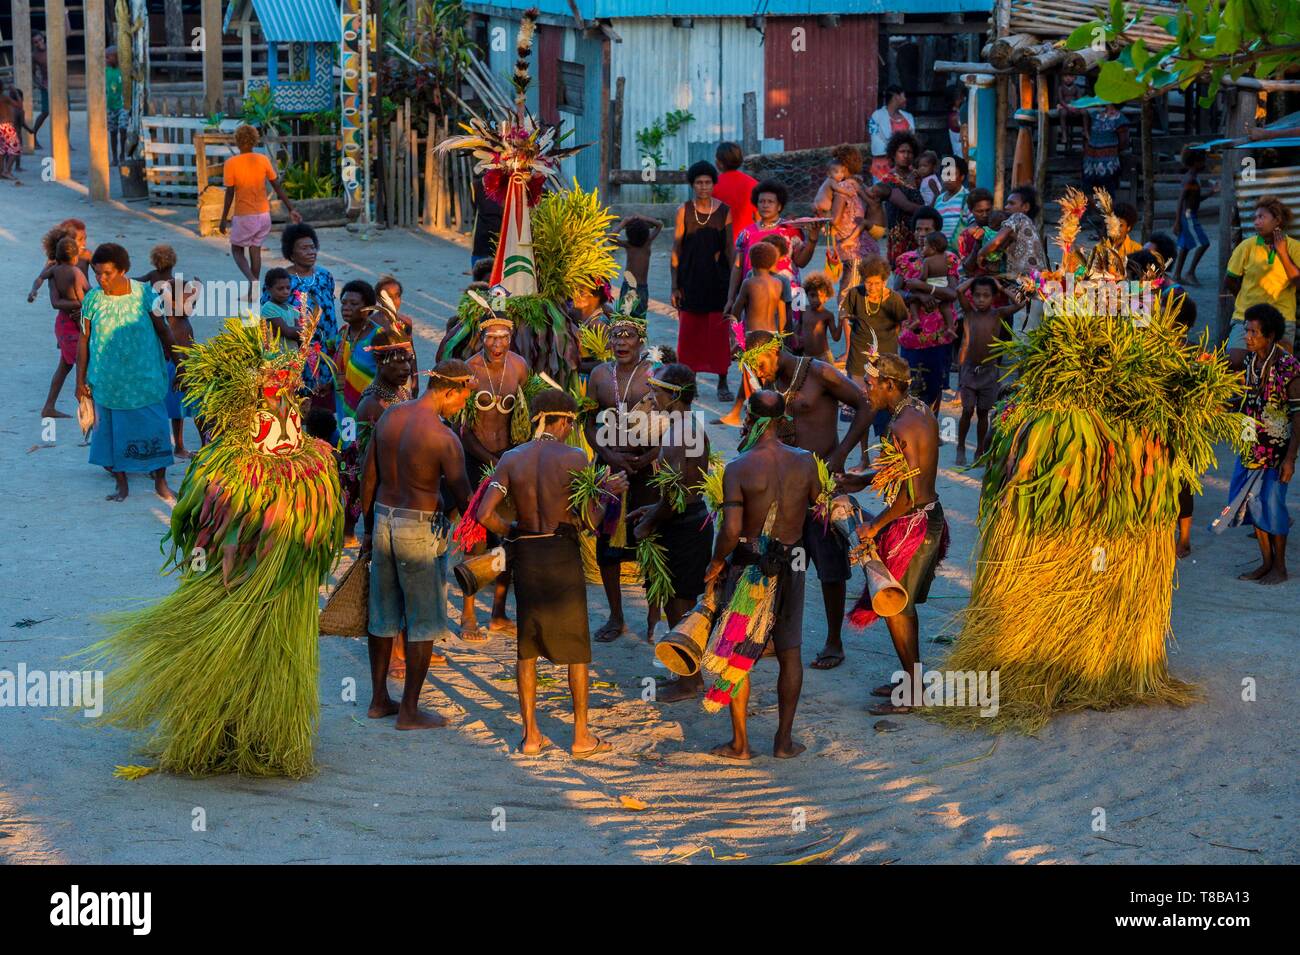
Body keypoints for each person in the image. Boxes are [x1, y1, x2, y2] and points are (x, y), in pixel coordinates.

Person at [79, 316, 344, 778]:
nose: (283, 410)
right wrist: (220, 565)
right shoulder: (239, 470)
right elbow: (212, 533)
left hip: (274, 582)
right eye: (273, 405)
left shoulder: (301, 470)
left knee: (265, 663)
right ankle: (224, 739)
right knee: (245, 662)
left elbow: (313, 534)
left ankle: (256, 739)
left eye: (289, 406)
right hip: (248, 580)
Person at [477, 388, 629, 757]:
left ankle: (531, 736)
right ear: (560, 420)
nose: (568, 430)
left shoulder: (511, 459)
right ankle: (580, 736)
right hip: (561, 554)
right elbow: (590, 523)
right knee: (577, 649)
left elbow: (483, 514)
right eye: (569, 423)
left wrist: (513, 531)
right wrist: (609, 492)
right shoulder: (575, 457)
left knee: (526, 650)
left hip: (526, 554)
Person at [703, 389, 820, 759]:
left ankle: (740, 743)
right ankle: (783, 742)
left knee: (739, 649)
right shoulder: (805, 462)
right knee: (790, 650)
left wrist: (717, 561)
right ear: (784, 420)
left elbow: (731, 530)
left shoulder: (739, 468)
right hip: (793, 563)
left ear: (749, 420)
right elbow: (818, 501)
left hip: (750, 566)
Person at [359, 359, 475, 729]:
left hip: (382, 519)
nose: (462, 406)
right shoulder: (444, 438)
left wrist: (366, 531)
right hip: (419, 529)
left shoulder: (390, 416)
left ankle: (379, 699)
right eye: (463, 399)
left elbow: (368, 477)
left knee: (383, 615)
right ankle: (409, 709)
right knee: (423, 621)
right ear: (450, 391)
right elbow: (463, 495)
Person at [746, 333, 870, 671]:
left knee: (829, 563)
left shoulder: (819, 372)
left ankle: (834, 639)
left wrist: (841, 454)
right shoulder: (771, 382)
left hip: (821, 483)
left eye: (759, 363)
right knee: (781, 559)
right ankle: (775, 634)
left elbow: (866, 404)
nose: (758, 371)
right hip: (783, 485)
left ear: (774, 350)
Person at [838, 354, 947, 715]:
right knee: (899, 606)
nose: (866, 389)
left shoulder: (900, 426)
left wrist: (875, 524)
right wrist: (861, 479)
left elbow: (911, 493)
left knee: (896, 607)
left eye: (870, 384)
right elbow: (908, 473)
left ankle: (914, 691)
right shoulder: (917, 409)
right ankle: (910, 678)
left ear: (888, 384)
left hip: (914, 524)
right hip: (923, 517)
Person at [631, 364, 714, 701]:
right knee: (673, 601)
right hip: (682, 520)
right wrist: (651, 512)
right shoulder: (679, 428)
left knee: (681, 604)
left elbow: (675, 493)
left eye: (657, 391)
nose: (652, 396)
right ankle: (683, 672)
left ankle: (690, 680)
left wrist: (649, 521)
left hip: (685, 525)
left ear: (674, 395)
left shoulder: (681, 433)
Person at [74, 243, 176, 503]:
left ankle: (160, 483)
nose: (101, 279)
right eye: (97, 273)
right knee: (113, 432)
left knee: (155, 427)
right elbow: (84, 341)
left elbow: (164, 330)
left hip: (145, 378)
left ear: (124, 270)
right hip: (108, 381)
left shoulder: (146, 295)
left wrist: (180, 363)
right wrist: (80, 381)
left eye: (107, 273)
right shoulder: (93, 299)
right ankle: (122, 484)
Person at [458, 312, 530, 641]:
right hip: (477, 461)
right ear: (480, 338)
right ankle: (468, 614)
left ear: (511, 337)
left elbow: (524, 417)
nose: (497, 344)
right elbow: (463, 428)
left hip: (508, 463)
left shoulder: (519, 367)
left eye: (503, 337)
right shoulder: (470, 370)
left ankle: (498, 613)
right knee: (474, 539)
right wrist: (491, 460)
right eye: (490, 337)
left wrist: (512, 460)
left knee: (506, 537)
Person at [586, 318, 658, 642]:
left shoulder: (656, 374)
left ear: (641, 341)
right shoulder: (600, 375)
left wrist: (649, 456)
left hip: (647, 470)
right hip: (610, 468)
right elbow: (588, 423)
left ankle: (655, 618)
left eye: (629, 336)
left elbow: (674, 420)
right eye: (616, 335)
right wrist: (610, 455)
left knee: (652, 542)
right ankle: (616, 618)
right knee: (607, 547)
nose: (621, 341)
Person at [1223, 304, 1299, 584]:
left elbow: (1298, 415)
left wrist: (1290, 459)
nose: (1248, 336)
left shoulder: (1289, 367)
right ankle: (1266, 562)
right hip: (1249, 443)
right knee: (1250, 503)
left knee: (1272, 503)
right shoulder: (1249, 362)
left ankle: (1280, 567)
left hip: (1277, 450)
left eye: (1254, 332)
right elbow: (1249, 400)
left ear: (1270, 336)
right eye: (1247, 330)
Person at [672, 160, 735, 401]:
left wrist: (733, 286)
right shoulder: (683, 211)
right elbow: (676, 248)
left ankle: (722, 381)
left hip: (718, 281)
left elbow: (730, 249)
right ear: (692, 185)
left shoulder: (724, 211)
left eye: (708, 182)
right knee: (690, 334)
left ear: (713, 184)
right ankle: (691, 382)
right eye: (699, 183)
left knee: (717, 334)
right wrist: (674, 285)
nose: (704, 187)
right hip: (690, 281)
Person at [136, 244, 201, 459]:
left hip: (173, 353)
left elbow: (135, 282)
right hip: (176, 353)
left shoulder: (156, 280)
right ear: (173, 263)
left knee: (177, 404)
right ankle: (177, 446)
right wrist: (196, 290)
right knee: (175, 405)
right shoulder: (176, 285)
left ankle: (179, 446)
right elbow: (184, 311)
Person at [220, 124, 301, 287]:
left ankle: (253, 280)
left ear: (237, 141)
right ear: (255, 141)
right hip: (264, 215)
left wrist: (223, 219)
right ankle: (253, 292)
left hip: (244, 215)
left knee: (236, 250)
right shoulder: (263, 159)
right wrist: (291, 209)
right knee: (255, 249)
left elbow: (230, 194)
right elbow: (277, 185)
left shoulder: (231, 163)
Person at [954, 276, 1020, 466]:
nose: (981, 299)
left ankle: (980, 449)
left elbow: (1018, 303)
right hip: (969, 369)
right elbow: (959, 291)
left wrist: (1000, 287)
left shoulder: (998, 314)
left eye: (986, 295)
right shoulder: (969, 313)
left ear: (993, 297)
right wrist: (977, 278)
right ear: (972, 297)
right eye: (977, 295)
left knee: (983, 413)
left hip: (989, 372)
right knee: (967, 410)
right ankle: (960, 446)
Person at [895, 213, 959, 413]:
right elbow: (896, 292)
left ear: (937, 233)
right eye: (918, 229)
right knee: (908, 385)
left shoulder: (949, 259)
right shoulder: (905, 260)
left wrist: (926, 289)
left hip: (940, 336)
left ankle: (932, 427)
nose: (922, 234)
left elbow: (953, 293)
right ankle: (911, 428)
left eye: (927, 230)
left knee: (935, 386)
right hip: (912, 335)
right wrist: (918, 298)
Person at [725, 179, 816, 317]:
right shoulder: (746, 233)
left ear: (779, 206)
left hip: (789, 298)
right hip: (755, 296)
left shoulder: (791, 230)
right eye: (761, 201)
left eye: (770, 202)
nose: (765, 205)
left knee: (790, 334)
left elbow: (801, 263)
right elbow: (737, 267)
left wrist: (812, 241)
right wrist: (731, 298)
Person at [842, 254, 908, 442]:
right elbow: (846, 317)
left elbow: (901, 323)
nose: (872, 287)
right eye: (869, 283)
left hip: (886, 362)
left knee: (886, 408)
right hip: (859, 358)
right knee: (862, 408)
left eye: (877, 283)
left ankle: (884, 453)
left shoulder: (894, 299)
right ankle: (863, 457)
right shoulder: (855, 294)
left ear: (885, 281)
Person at [336, 280, 381, 545]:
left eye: (353, 304)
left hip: (372, 416)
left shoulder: (377, 338)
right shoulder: (342, 335)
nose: (346, 308)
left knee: (372, 469)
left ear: (368, 308)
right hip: (346, 417)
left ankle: (369, 530)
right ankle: (348, 530)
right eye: (343, 302)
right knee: (348, 470)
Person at [271, 223, 337, 405]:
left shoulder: (325, 276)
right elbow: (269, 314)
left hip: (325, 351)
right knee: (298, 404)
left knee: (325, 405)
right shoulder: (281, 280)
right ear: (291, 254)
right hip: (295, 352)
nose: (311, 252)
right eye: (304, 248)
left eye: (313, 247)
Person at [1224, 196, 1300, 351]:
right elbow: (1230, 280)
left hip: (1283, 318)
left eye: (1261, 217)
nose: (1256, 222)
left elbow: (1299, 283)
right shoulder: (1246, 246)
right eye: (1255, 217)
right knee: (1235, 362)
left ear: (1277, 220)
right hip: (1246, 318)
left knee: (1280, 366)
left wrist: (1283, 254)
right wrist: (1246, 298)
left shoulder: (1294, 247)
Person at [32, 233, 89, 418]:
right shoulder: (76, 272)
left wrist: (33, 291)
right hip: (77, 324)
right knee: (85, 367)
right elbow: (89, 294)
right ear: (74, 257)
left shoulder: (53, 272)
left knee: (65, 365)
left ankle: (49, 407)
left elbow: (40, 279)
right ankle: (88, 412)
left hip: (63, 324)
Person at [977, 186, 1047, 329]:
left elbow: (996, 242)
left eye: (1011, 203)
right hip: (1039, 291)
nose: (1006, 206)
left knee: (1022, 338)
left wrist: (981, 253)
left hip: (1027, 290)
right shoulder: (1029, 226)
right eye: (1006, 203)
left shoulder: (1018, 217)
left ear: (1025, 207)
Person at [812, 144, 878, 299]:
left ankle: (845, 321)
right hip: (863, 245)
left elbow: (834, 220)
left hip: (850, 247)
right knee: (861, 291)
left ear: (845, 166)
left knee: (848, 290)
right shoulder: (856, 185)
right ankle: (852, 322)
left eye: (839, 163)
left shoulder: (841, 187)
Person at [877, 131, 925, 264]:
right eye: (902, 151)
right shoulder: (889, 180)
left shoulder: (918, 176)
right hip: (899, 239)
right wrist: (931, 210)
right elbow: (906, 206)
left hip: (920, 234)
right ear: (894, 154)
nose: (906, 155)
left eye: (909, 152)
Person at [728, 240, 787, 337]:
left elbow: (735, 312)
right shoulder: (778, 283)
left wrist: (738, 336)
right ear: (772, 262)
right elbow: (782, 317)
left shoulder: (748, 283)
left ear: (751, 262)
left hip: (754, 335)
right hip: (773, 335)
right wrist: (780, 338)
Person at [373, 275, 421, 395]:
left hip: (402, 379)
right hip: (376, 379)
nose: (393, 300)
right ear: (378, 299)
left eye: (397, 296)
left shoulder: (405, 322)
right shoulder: (371, 323)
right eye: (388, 297)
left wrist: (415, 379)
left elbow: (411, 352)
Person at [1173, 147, 1213, 285]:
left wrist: (1211, 193)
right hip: (1188, 216)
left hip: (1188, 215)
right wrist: (1177, 221)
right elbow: (1181, 200)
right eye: (1203, 160)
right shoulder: (1190, 179)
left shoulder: (1194, 178)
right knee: (1204, 243)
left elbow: (1195, 199)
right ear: (1195, 162)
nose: (1205, 163)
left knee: (1185, 246)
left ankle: (1177, 274)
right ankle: (1190, 272)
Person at [612, 214, 661, 318]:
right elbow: (659, 225)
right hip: (642, 287)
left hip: (629, 286)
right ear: (646, 233)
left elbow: (611, 237)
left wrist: (624, 221)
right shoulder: (647, 244)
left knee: (623, 318)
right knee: (640, 319)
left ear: (629, 234)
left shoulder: (628, 245)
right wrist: (643, 217)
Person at [1082, 102, 1129, 202]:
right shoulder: (1096, 115)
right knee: (1089, 190)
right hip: (1090, 163)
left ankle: (1109, 214)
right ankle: (1096, 213)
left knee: (1107, 191)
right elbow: (1084, 114)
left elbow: (1124, 142)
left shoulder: (1120, 119)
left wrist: (1111, 151)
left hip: (1108, 164)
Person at [868, 85, 916, 183]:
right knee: (881, 194)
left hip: (904, 165)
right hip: (882, 166)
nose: (905, 99)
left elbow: (912, 140)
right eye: (903, 96)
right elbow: (876, 142)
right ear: (896, 97)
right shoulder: (877, 116)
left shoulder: (908, 117)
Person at [712, 142, 757, 233]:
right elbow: (759, 218)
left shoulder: (712, 186)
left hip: (721, 241)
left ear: (719, 163)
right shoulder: (754, 184)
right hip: (747, 240)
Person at [797, 272, 841, 363]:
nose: (815, 300)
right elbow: (798, 328)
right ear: (806, 294)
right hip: (806, 356)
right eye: (812, 295)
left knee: (827, 377)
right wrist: (796, 338)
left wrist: (841, 321)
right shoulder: (803, 311)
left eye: (820, 296)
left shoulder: (827, 315)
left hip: (823, 357)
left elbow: (836, 338)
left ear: (826, 297)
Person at [934, 156, 971, 249]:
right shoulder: (939, 199)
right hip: (941, 252)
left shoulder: (968, 198)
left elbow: (973, 225)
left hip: (961, 253)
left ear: (962, 177)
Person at [259, 267, 301, 343]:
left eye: (288, 288)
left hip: (293, 352)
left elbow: (299, 336)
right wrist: (308, 328)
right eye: (280, 289)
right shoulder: (269, 308)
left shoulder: (292, 309)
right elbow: (288, 332)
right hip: (276, 353)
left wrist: (301, 331)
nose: (286, 292)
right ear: (268, 289)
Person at [105, 48, 128, 166]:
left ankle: (122, 153)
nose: (106, 59)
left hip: (122, 105)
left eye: (109, 57)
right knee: (112, 132)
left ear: (116, 57)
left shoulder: (123, 71)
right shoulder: (106, 71)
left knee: (123, 128)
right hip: (110, 106)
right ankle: (114, 157)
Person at [0, 85, 23, 181]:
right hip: (7, 126)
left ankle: (1, 172)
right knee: (16, 149)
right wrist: (16, 92)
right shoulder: (4, 97)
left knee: (1, 151)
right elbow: (19, 105)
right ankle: (7, 171)